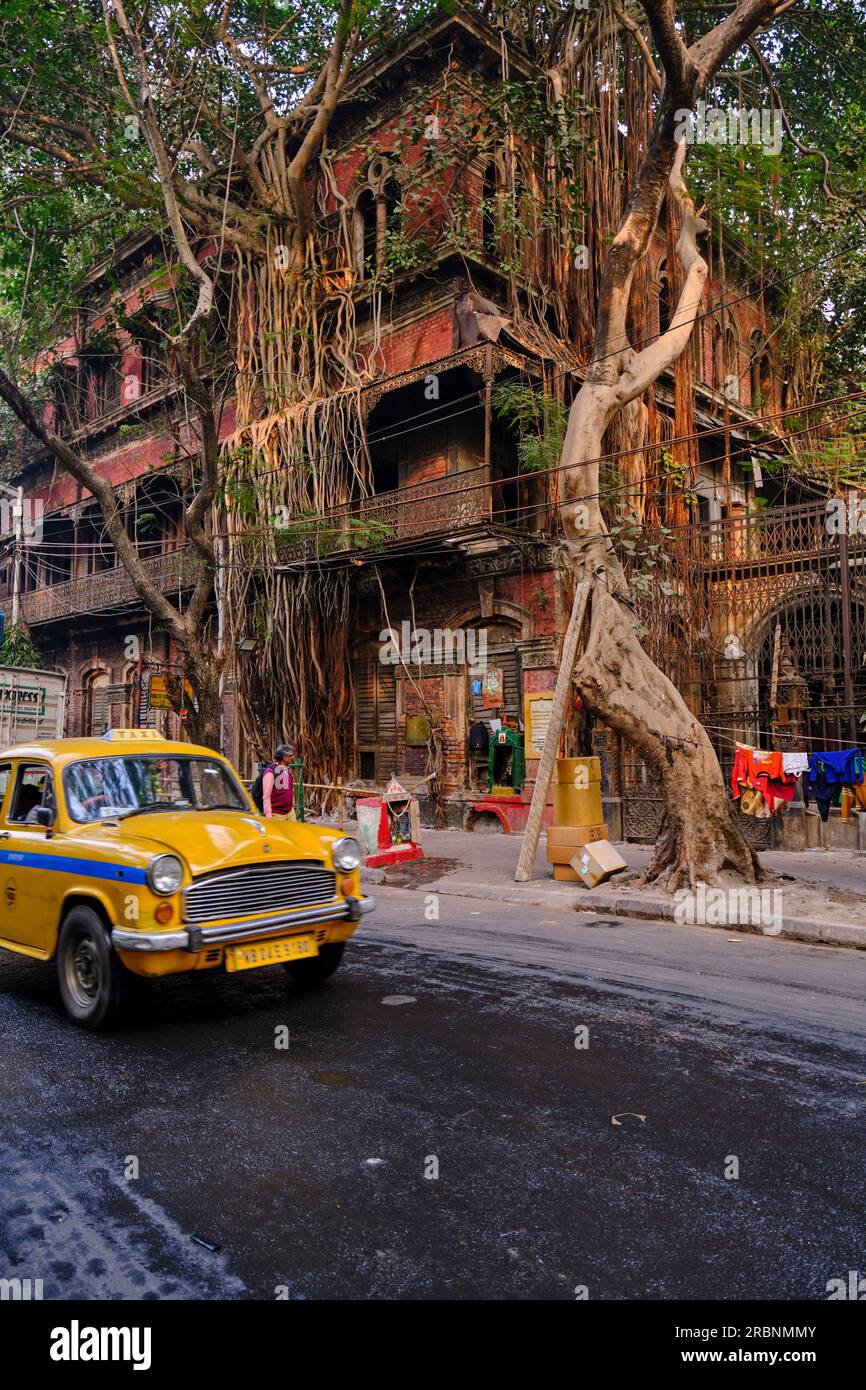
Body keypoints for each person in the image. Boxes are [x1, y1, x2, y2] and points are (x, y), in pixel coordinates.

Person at [262, 745, 295, 820]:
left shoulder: (285, 769)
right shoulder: (270, 772)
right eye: (290, 755)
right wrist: (269, 816)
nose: (292, 757)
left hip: (290, 813)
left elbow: (287, 789)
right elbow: (266, 796)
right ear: (284, 757)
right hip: (276, 815)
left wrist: (292, 804)